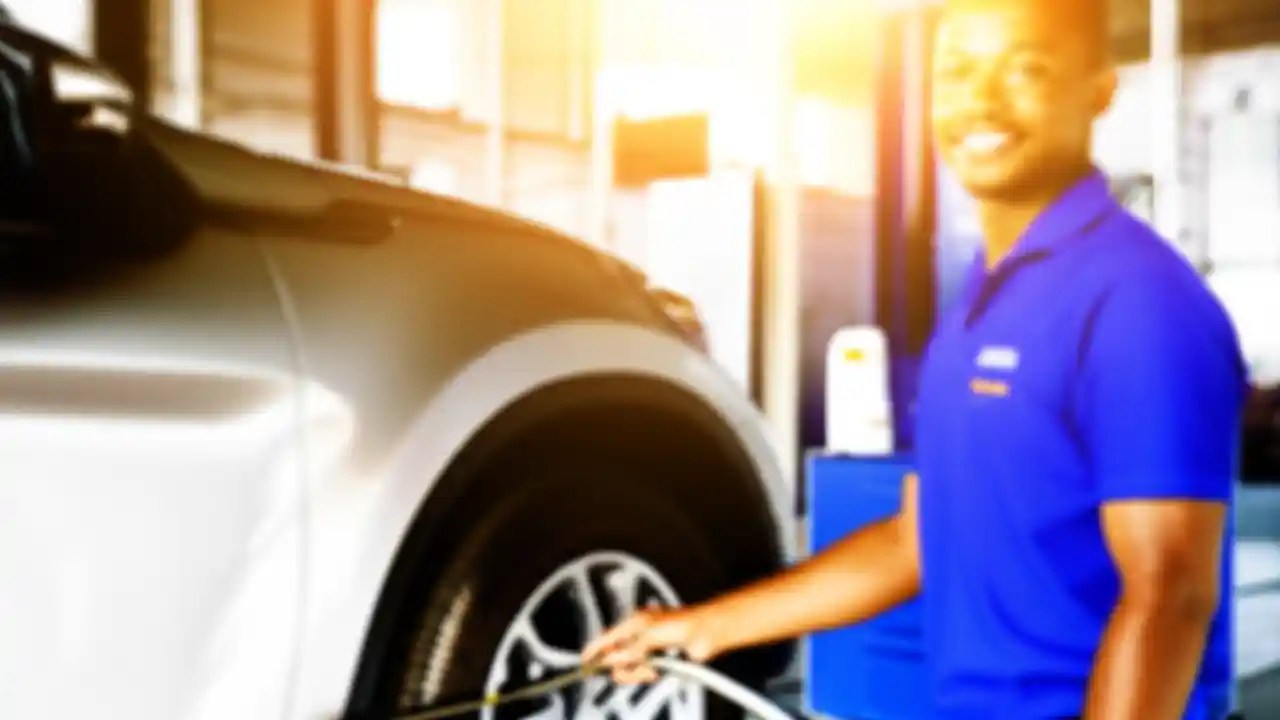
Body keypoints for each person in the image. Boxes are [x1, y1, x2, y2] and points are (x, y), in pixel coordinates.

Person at [582, 1, 1248, 718]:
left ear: (1099, 90)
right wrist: (705, 627)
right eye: (957, 71)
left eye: (1025, 68)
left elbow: (1171, 593)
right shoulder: (977, 303)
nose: (982, 100)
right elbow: (915, 539)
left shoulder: (1139, 301)